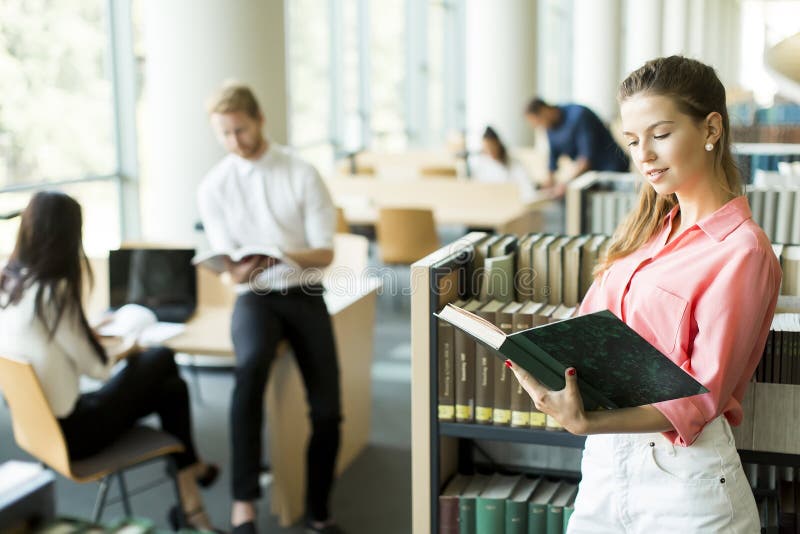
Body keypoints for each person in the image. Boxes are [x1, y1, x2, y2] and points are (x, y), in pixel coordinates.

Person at [509, 56, 781, 531]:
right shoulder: (646, 231)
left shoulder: (743, 251)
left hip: (685, 483)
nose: (644, 156)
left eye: (660, 134)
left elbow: (701, 398)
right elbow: (588, 327)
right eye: (633, 141)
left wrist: (589, 421)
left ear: (711, 128)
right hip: (604, 469)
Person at [0, 191, 219, 531]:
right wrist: (130, 345)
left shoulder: (11, 282)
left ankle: (191, 500)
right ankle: (193, 475)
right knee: (161, 357)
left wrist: (85, 330)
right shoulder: (53, 290)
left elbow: (44, 340)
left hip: (39, 428)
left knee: (172, 389)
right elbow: (99, 370)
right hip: (78, 434)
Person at [197, 83, 343, 534]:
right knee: (250, 371)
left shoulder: (301, 172)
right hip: (253, 297)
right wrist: (235, 272)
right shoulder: (214, 185)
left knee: (326, 409)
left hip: (302, 291)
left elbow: (326, 253)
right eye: (224, 134)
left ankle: (319, 510)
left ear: (260, 119)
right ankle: (243, 504)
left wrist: (283, 252)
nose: (234, 142)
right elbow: (226, 268)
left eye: (240, 130)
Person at [525, 97, 630, 196]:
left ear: (545, 111)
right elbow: (552, 162)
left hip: (613, 170)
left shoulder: (579, 115)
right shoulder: (549, 127)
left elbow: (586, 160)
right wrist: (546, 185)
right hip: (591, 176)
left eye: (539, 122)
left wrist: (564, 185)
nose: (540, 127)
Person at [469, 126, 536, 202]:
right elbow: (476, 189)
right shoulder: (481, 164)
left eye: (492, 147)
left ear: (498, 144)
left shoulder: (514, 164)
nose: (490, 151)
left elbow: (527, 189)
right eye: (487, 148)